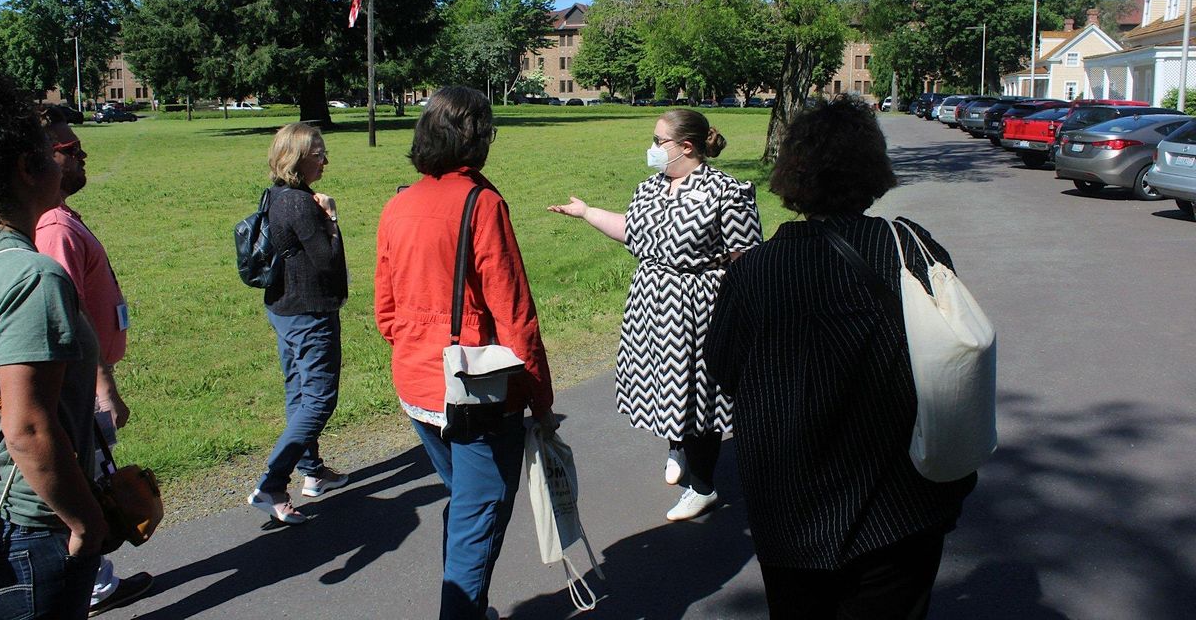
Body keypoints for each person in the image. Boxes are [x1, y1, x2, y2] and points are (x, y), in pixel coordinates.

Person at [704, 97, 976, 619]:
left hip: (791, 508)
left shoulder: (755, 271)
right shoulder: (912, 250)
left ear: (791, 174)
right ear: (872, 169)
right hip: (902, 503)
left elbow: (723, 367)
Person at [375, 86, 556, 620]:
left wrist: (415, 346)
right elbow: (514, 314)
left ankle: (466, 604)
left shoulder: (399, 203)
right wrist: (540, 400)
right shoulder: (482, 204)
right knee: (481, 512)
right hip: (474, 390)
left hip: (418, 383)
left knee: (467, 499)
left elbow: (385, 310)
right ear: (477, 139)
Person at [548, 108, 762, 521]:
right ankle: (676, 445)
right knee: (667, 384)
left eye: (657, 140)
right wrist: (587, 212)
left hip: (701, 308)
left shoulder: (727, 192)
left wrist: (744, 318)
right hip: (652, 303)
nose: (651, 148)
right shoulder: (649, 188)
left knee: (700, 398)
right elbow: (632, 231)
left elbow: (747, 258)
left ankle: (702, 487)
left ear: (686, 146)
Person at [0, 75, 108, 618]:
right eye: (50, 151)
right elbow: (30, 429)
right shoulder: (32, 277)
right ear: (25, 167)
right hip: (37, 526)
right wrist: (86, 523)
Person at [36, 107, 153, 615]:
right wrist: (103, 388)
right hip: (79, 384)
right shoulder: (56, 228)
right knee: (87, 481)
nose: (82, 155)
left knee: (88, 476)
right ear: (39, 160)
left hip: (84, 379)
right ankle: (89, 584)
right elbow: (72, 318)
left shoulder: (65, 218)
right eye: (70, 150)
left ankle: (93, 579)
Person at [247, 123, 349, 525]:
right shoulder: (302, 204)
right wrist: (333, 220)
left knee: (299, 392)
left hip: (283, 308)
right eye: (318, 153)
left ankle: (311, 471)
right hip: (309, 312)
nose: (325, 159)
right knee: (319, 399)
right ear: (297, 158)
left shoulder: (276, 196)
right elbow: (327, 262)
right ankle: (272, 483)